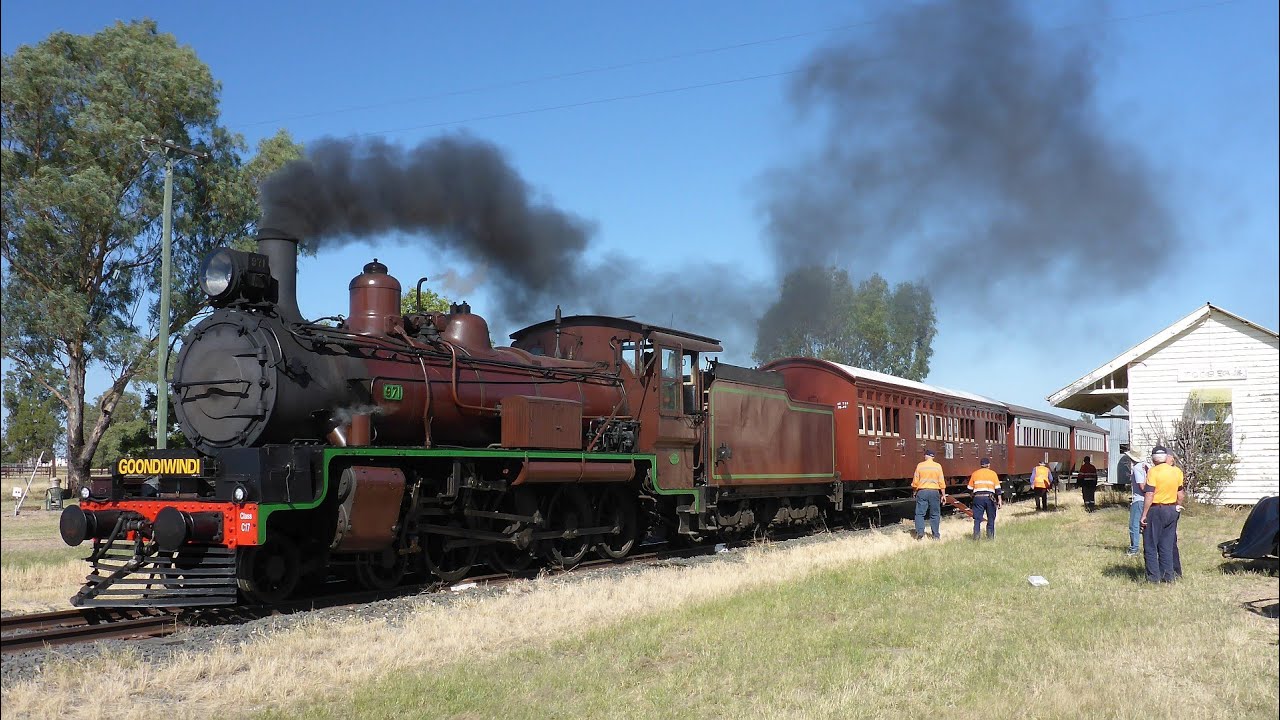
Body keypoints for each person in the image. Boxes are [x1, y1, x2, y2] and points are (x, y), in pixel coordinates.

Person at [1139, 446, 1185, 583]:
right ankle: (1168, 576)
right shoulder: (1176, 472)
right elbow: (1180, 494)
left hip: (1156, 509)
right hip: (1172, 509)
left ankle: (1153, 578)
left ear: (1153, 459)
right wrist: (1177, 506)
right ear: (1166, 457)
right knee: (1166, 545)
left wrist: (1144, 514)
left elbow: (1149, 493)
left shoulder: (1153, 472)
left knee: (1151, 545)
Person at [912, 448, 947, 540]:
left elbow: (915, 481)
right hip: (934, 492)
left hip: (922, 491)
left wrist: (915, 491)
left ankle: (920, 533)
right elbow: (941, 481)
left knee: (920, 513)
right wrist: (943, 494)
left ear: (926, 456)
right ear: (933, 457)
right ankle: (935, 535)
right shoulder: (937, 466)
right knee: (935, 514)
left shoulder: (920, 466)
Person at [966, 457, 1003, 539]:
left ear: (981, 465)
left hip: (978, 498)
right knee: (991, 518)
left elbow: (969, 488)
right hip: (990, 498)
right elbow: (998, 489)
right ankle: (990, 537)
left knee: (977, 519)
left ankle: (976, 537)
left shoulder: (975, 474)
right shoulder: (993, 474)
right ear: (989, 465)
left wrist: (973, 496)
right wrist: (999, 500)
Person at [1125, 446, 1148, 556]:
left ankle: (1134, 549)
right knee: (1145, 524)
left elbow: (1142, 486)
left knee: (1134, 524)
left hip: (1139, 499)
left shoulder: (1137, 468)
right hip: (1148, 500)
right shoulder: (1147, 466)